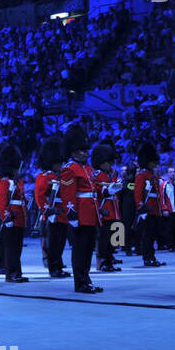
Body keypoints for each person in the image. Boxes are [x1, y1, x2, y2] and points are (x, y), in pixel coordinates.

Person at [59, 123, 103, 294]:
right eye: (82, 150)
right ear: (73, 151)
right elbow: (68, 194)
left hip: (91, 213)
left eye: (86, 150)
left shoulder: (87, 168)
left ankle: (87, 279)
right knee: (80, 249)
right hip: (80, 214)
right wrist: (72, 214)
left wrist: (107, 189)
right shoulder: (69, 169)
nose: (85, 153)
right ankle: (80, 282)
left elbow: (95, 187)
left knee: (88, 248)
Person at [0, 143, 29, 283]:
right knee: (10, 247)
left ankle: (16, 272)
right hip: (10, 218)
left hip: (19, 218)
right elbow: (1, 201)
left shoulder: (15, 181)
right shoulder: (4, 182)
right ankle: (10, 273)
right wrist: (6, 217)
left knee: (17, 247)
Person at [34, 135, 69, 278]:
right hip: (52, 215)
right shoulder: (45, 177)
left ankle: (58, 265)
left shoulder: (57, 176)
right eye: (57, 163)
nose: (60, 166)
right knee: (53, 243)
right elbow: (40, 196)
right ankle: (53, 268)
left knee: (60, 242)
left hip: (61, 213)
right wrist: (49, 211)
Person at [92, 141, 122, 274]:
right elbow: (97, 191)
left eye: (110, 162)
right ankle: (102, 262)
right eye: (107, 162)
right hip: (104, 207)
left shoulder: (113, 173)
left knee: (113, 238)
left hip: (114, 207)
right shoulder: (97, 174)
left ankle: (110, 260)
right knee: (103, 238)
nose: (109, 164)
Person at [134, 141, 165, 266]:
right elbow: (138, 193)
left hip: (155, 207)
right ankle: (147, 257)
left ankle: (152, 256)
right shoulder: (142, 175)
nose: (155, 164)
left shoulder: (153, 175)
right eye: (153, 162)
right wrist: (140, 206)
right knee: (147, 234)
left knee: (153, 233)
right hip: (147, 208)